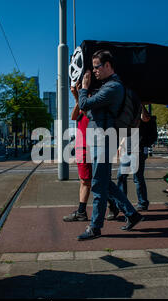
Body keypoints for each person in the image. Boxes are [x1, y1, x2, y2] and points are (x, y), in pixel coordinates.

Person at [76, 50, 144, 240]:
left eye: (97, 66)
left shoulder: (113, 87)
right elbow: (88, 111)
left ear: (108, 66)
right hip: (101, 138)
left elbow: (84, 105)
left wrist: (84, 87)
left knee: (98, 184)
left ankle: (95, 227)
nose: (94, 71)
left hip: (105, 139)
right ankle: (132, 214)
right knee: (105, 181)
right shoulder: (108, 86)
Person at [63, 86, 119, 222]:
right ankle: (82, 211)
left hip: (93, 145)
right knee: (85, 180)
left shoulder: (97, 104)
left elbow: (86, 110)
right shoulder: (83, 104)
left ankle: (112, 204)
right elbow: (74, 116)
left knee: (94, 180)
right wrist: (78, 98)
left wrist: (77, 96)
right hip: (81, 146)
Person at [109, 105, 151, 219]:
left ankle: (142, 202)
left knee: (137, 177)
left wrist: (140, 104)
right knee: (121, 176)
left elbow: (146, 118)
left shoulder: (140, 112)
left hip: (138, 149)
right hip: (127, 150)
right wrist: (120, 146)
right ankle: (123, 203)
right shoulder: (126, 115)